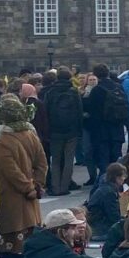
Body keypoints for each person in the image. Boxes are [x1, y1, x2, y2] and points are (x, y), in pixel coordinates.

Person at [0, 94, 46, 258]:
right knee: (26, 244)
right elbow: (42, 162)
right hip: (30, 199)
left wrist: (27, 187)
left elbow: (10, 169)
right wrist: (37, 185)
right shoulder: (31, 134)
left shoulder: (3, 140)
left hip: (11, 198)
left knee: (8, 244)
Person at [41, 69, 83, 198]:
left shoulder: (50, 92)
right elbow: (79, 111)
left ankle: (55, 187)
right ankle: (65, 186)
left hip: (55, 131)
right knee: (69, 159)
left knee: (56, 160)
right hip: (71, 130)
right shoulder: (73, 92)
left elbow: (45, 112)